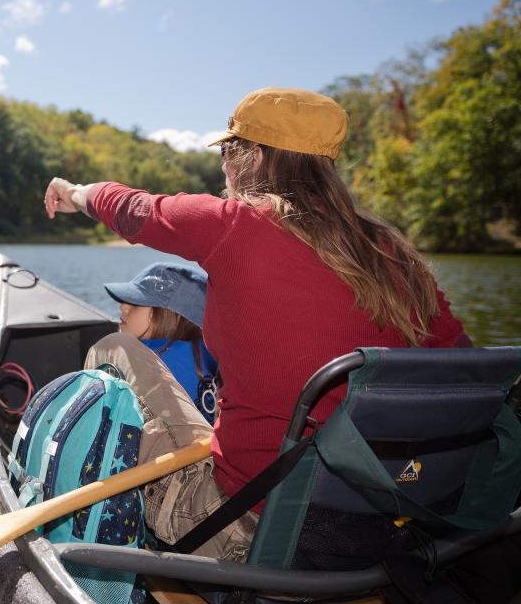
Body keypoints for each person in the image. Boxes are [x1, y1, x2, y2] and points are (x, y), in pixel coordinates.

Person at [45, 87, 468, 562]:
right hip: (388, 526)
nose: (223, 163)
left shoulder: (234, 226)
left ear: (256, 157)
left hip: (253, 531)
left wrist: (73, 192)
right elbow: (465, 368)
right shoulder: (393, 251)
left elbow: (135, 209)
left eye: (229, 149)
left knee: (115, 347)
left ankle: (70, 518)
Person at [100, 262, 219, 424]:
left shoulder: (142, 359)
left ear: (171, 315)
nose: (123, 307)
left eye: (135, 302)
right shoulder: (210, 352)